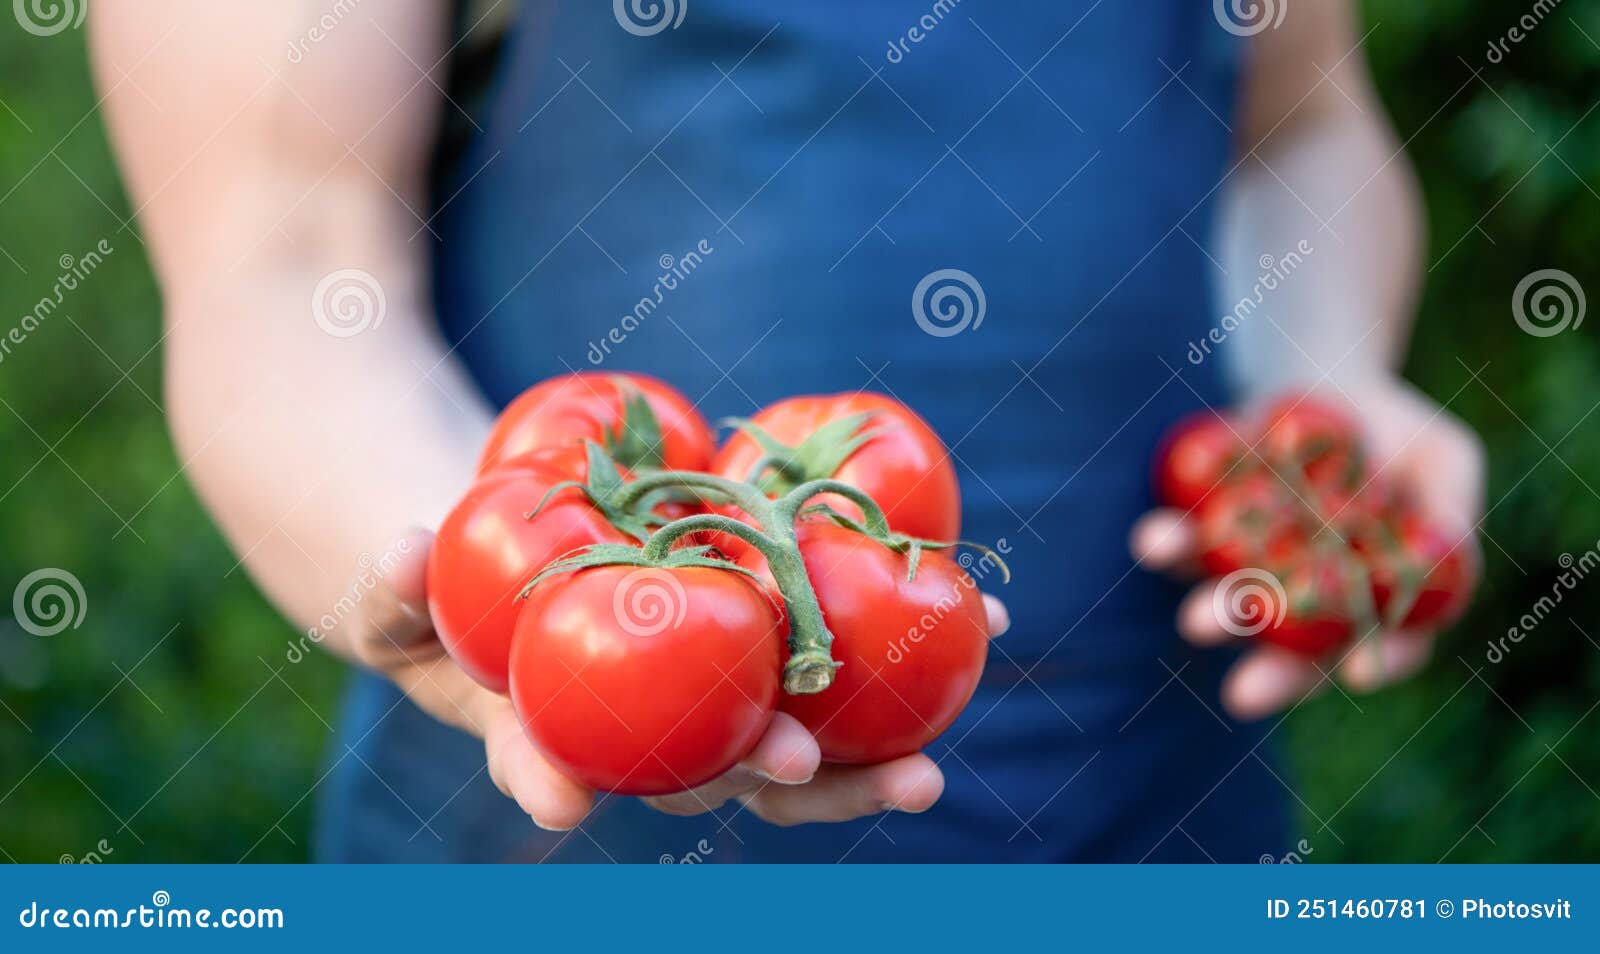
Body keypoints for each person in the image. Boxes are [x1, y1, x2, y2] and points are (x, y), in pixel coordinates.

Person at [93, 0, 1483, 861]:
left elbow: (1299, 134)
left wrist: (1326, 369)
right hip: (548, 863)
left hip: (1160, 810)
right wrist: (486, 594)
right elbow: (279, 262)